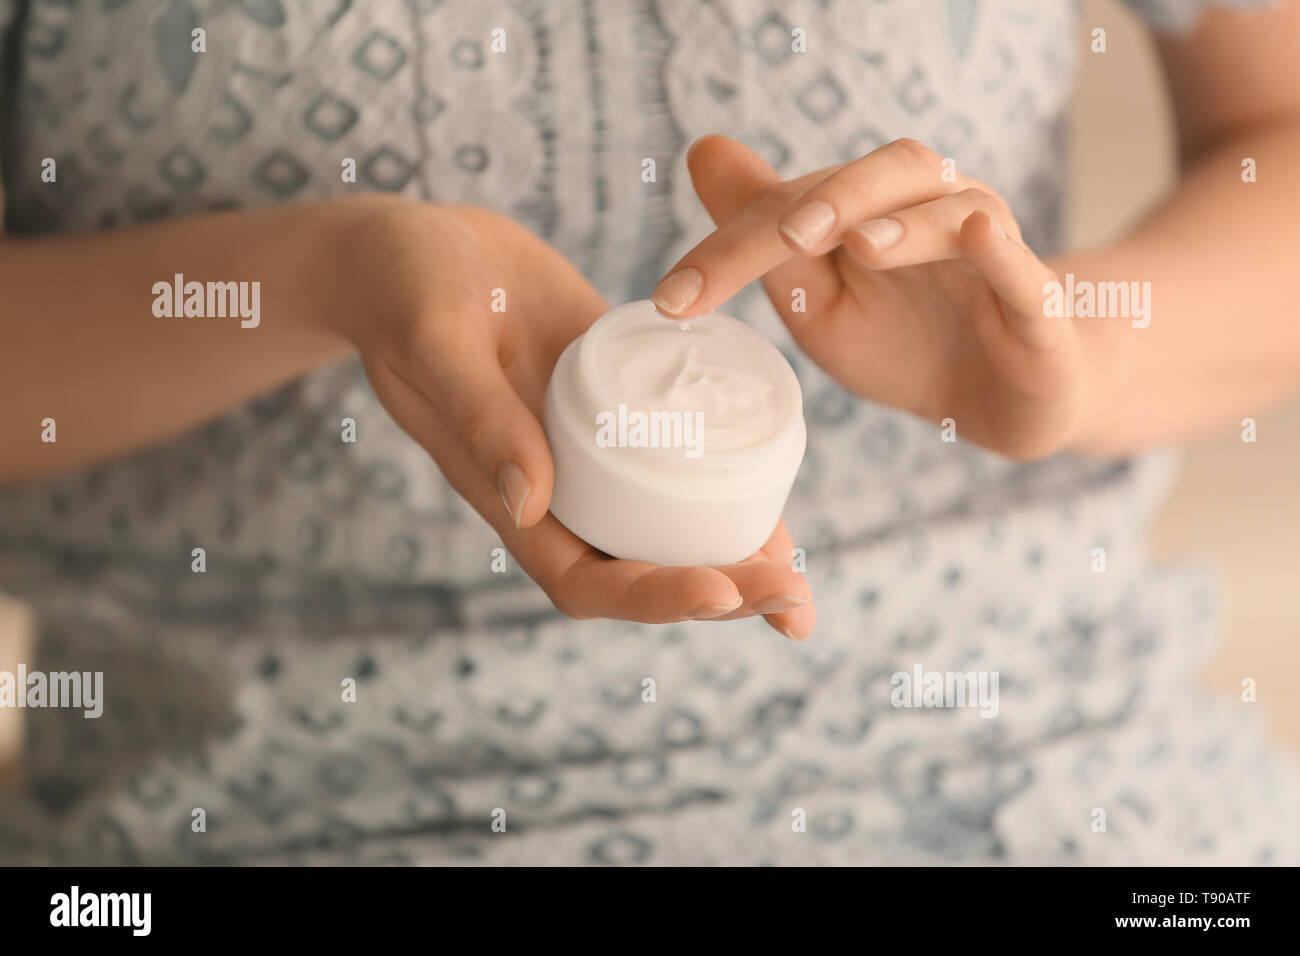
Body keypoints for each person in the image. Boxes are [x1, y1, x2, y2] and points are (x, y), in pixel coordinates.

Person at [0, 0, 1295, 864]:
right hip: (291, 790)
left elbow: (1273, 132)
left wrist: (1073, 350)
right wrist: (317, 275)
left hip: (1050, 756)